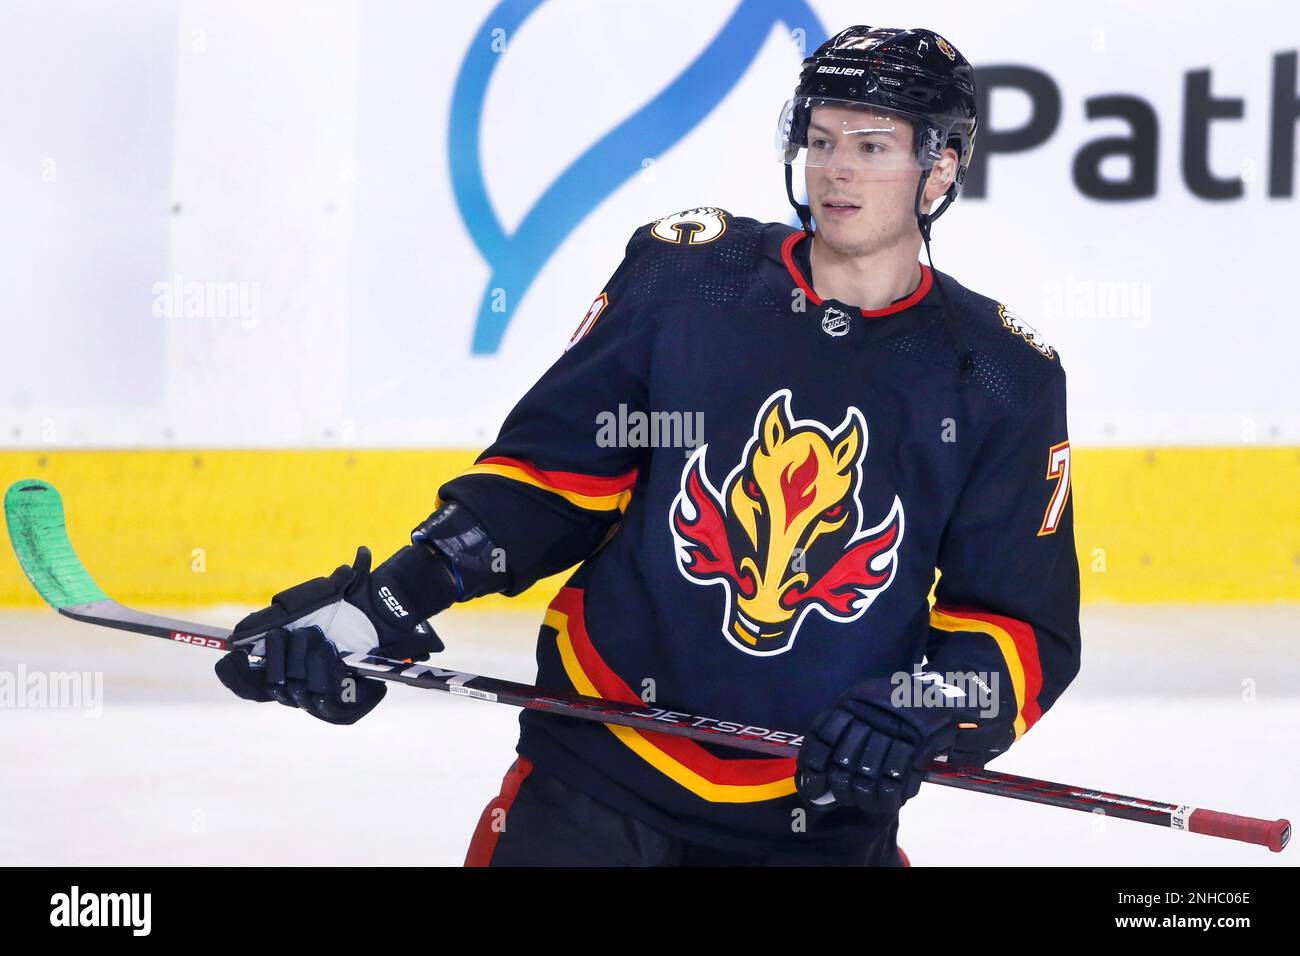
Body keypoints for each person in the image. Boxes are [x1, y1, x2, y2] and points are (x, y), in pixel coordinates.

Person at [215, 25, 1082, 867]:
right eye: (820, 139)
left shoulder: (1000, 377)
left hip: (817, 820)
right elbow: (549, 485)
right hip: (597, 779)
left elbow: (1017, 632)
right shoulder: (688, 279)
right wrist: (385, 604)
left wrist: (917, 706)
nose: (836, 169)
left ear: (940, 169)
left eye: (872, 145)